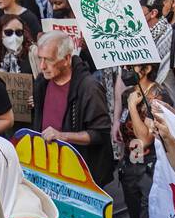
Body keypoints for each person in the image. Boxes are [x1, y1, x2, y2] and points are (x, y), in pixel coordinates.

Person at [32, 30, 114, 188]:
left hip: (81, 177)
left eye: (48, 60)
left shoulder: (89, 88)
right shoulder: (42, 81)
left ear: (67, 59)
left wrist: (62, 136)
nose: (42, 66)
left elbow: (99, 134)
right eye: (39, 59)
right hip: (49, 172)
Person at [114, 61, 174, 218]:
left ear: (147, 69)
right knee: (134, 213)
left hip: (150, 166)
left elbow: (146, 137)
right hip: (131, 163)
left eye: (131, 68)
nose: (126, 72)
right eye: (124, 68)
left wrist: (132, 106)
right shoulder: (128, 93)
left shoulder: (157, 95)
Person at [138, 0, 175, 113]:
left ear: (153, 13)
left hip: (166, 115)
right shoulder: (129, 39)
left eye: (137, 10)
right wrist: (117, 119)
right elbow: (122, 81)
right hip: (134, 117)